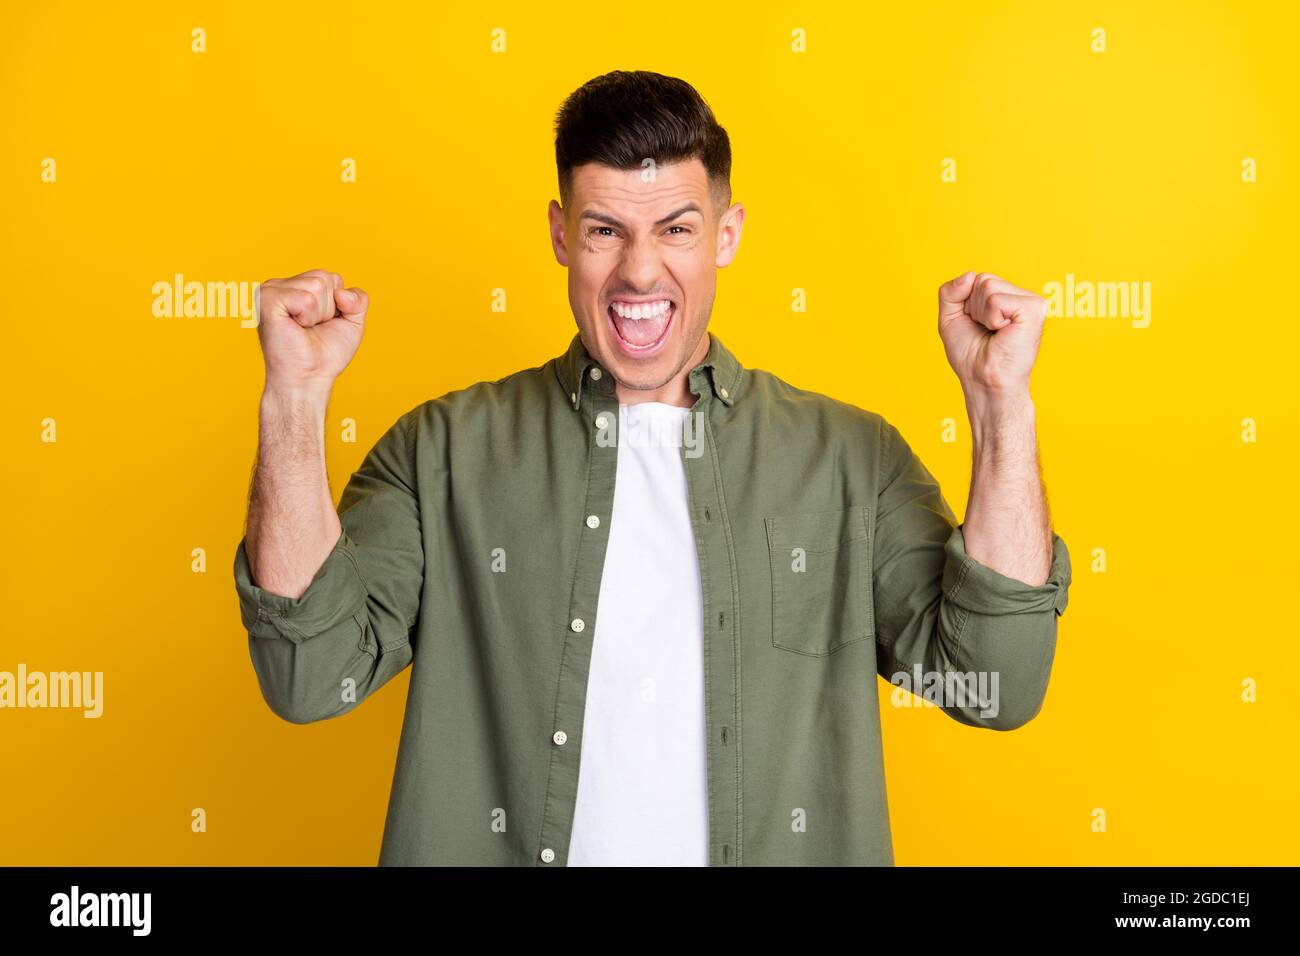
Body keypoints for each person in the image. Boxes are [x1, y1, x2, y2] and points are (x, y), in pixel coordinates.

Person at [232, 70, 1072, 866]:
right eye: (606, 230)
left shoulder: (851, 460)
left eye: (676, 228)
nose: (639, 270)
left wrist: (1002, 404)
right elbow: (310, 677)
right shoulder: (441, 451)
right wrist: (295, 400)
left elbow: (993, 680)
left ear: (727, 234)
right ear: (562, 234)